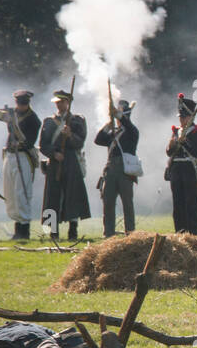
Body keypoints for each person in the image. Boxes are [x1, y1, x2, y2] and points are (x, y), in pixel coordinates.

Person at [0, 90, 41, 240]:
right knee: (10, 192)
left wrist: (18, 139)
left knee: (21, 193)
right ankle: (18, 227)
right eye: (19, 103)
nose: (21, 106)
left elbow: (28, 142)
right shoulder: (11, 113)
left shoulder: (34, 120)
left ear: (27, 103)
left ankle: (24, 230)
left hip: (23, 156)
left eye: (23, 103)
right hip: (9, 155)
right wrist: (4, 116)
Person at [39, 88, 90, 240]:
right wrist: (54, 154)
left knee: (72, 195)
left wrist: (70, 135)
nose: (59, 105)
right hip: (55, 163)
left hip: (71, 161)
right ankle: (52, 232)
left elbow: (80, 142)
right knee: (52, 197)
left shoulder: (77, 120)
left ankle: (72, 231)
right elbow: (43, 144)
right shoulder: (49, 121)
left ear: (68, 102)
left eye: (62, 102)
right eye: (57, 102)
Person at [94, 98, 138, 237]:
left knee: (127, 204)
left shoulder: (132, 131)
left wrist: (117, 114)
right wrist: (108, 124)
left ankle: (130, 233)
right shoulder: (114, 132)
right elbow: (98, 140)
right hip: (111, 169)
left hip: (125, 170)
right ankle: (109, 233)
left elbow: (126, 123)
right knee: (108, 202)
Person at [167, 93, 197, 235]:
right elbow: (169, 152)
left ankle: (194, 233)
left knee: (191, 202)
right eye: (180, 117)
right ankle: (180, 232)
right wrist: (173, 144)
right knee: (178, 202)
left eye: (183, 116)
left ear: (190, 117)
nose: (181, 119)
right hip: (176, 168)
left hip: (190, 168)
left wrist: (184, 142)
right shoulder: (176, 131)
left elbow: (196, 150)